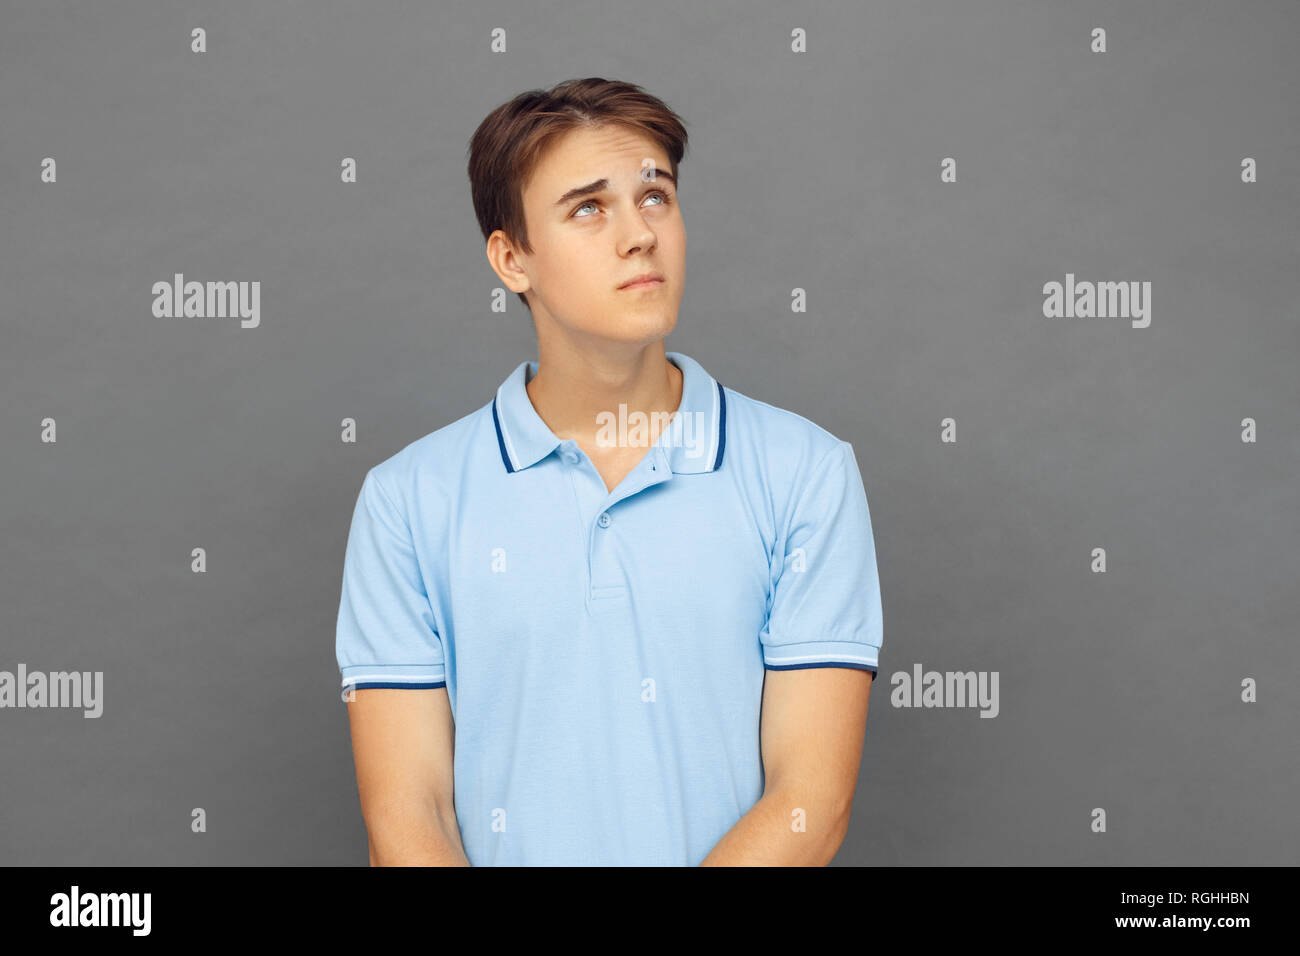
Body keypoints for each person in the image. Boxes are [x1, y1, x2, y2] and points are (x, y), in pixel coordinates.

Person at [335, 77, 884, 866]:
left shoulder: (807, 474)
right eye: (589, 208)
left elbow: (809, 801)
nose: (639, 234)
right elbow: (411, 814)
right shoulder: (406, 502)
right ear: (511, 258)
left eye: (655, 196)